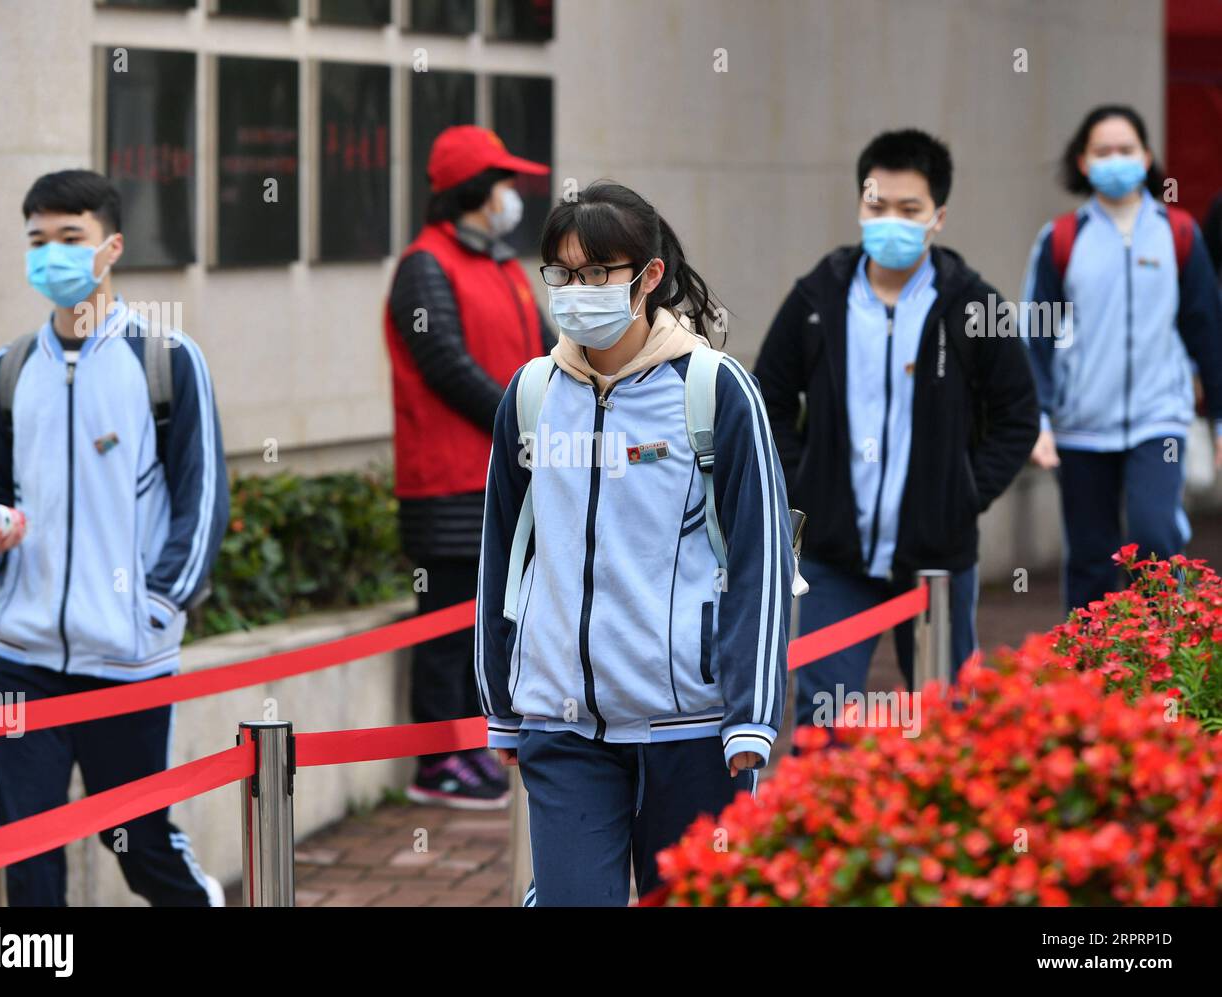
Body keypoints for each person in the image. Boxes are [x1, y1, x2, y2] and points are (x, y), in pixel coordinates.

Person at [475, 181, 797, 906]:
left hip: (692, 723)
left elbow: (761, 558)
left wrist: (752, 711)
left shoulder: (714, 390)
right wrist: (500, 699)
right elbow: (502, 551)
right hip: (561, 720)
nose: (576, 290)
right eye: (562, 273)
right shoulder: (531, 394)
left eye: (597, 274)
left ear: (649, 277)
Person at [0, 169, 230, 905]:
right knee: (28, 854)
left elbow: (202, 501)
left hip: (127, 659)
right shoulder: (7, 372)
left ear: (109, 248)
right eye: (37, 241)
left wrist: (155, 609)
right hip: (19, 657)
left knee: (140, 844)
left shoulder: (166, 361)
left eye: (68, 238)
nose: (51, 256)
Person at [754, 129, 1037, 738]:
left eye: (909, 210)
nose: (890, 222)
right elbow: (767, 399)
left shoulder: (971, 306)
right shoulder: (815, 298)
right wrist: (804, 484)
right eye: (877, 206)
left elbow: (1018, 415)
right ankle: (821, 836)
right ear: (860, 205)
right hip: (835, 556)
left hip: (937, 561)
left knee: (949, 721)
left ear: (938, 217)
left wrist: (963, 493)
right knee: (819, 717)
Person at [384, 126, 554, 809]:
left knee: (490, 620)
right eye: (505, 183)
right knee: (446, 622)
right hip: (447, 481)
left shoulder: (507, 267)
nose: (515, 195)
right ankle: (436, 761)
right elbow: (446, 364)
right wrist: (524, 416)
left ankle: (473, 744)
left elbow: (548, 348)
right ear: (474, 193)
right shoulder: (423, 266)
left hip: (502, 476)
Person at [1021, 105, 1222, 612]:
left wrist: (1219, 419)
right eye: (1103, 151)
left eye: (1126, 149)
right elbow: (1036, 336)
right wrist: (1039, 418)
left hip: (1160, 419)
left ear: (1147, 158)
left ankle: (1163, 664)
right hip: (1080, 424)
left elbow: (1206, 331)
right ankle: (1090, 676)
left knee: (1156, 540)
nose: (1116, 159)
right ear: (1083, 162)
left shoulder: (1177, 233)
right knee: (1092, 557)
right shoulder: (1063, 239)